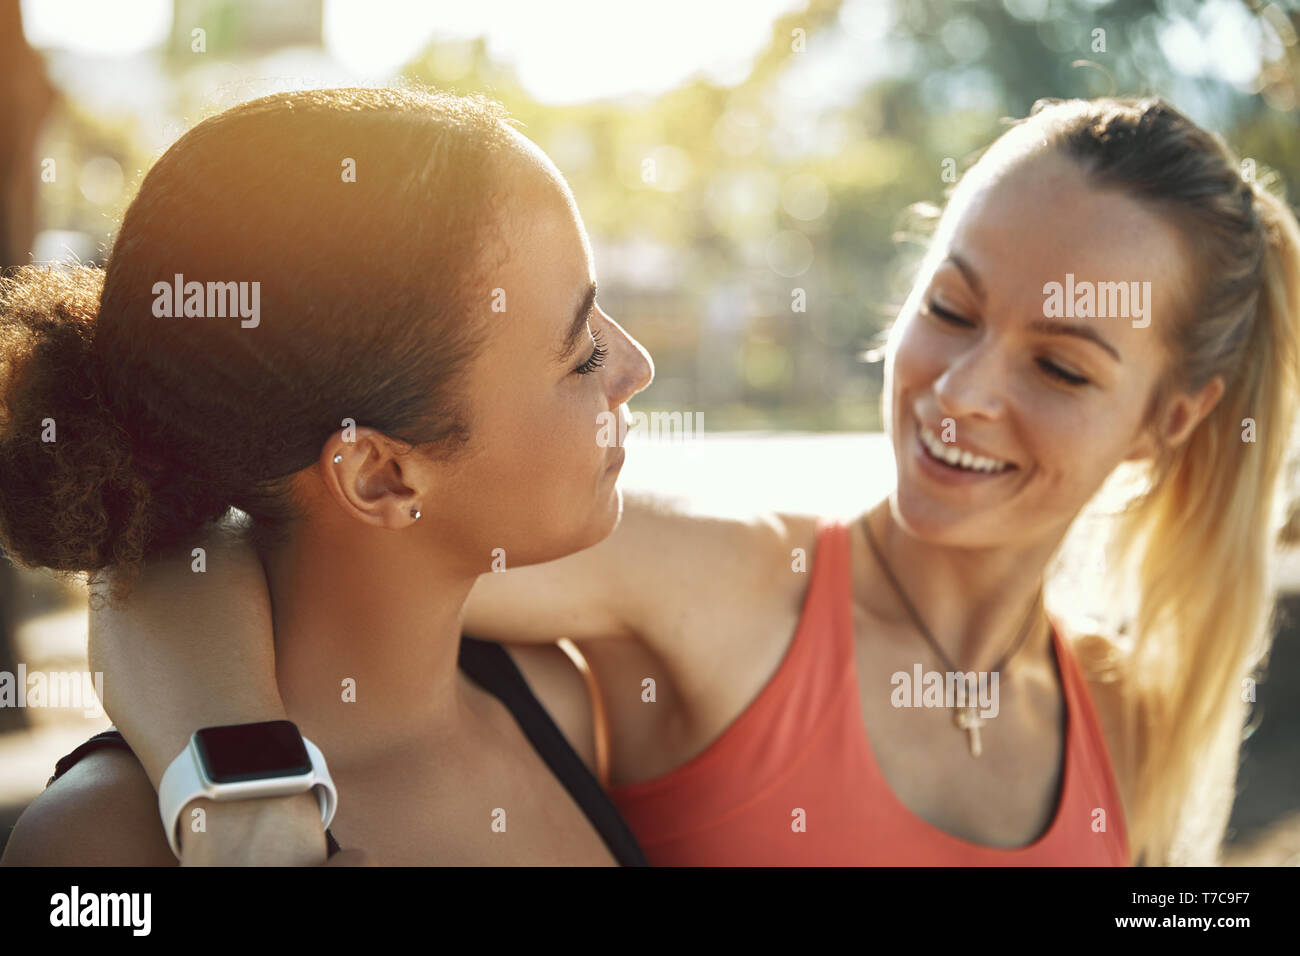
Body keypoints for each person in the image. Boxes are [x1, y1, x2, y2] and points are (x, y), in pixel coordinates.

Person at [26, 95, 1300, 866]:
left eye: (1062, 366)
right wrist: (243, 794)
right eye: (950, 306)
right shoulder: (728, 582)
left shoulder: (1130, 725)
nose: (964, 389)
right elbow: (220, 533)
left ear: (1169, 420)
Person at [0, 87, 656, 866]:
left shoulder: (562, 707)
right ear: (380, 476)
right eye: (581, 351)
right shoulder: (99, 847)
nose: (636, 367)